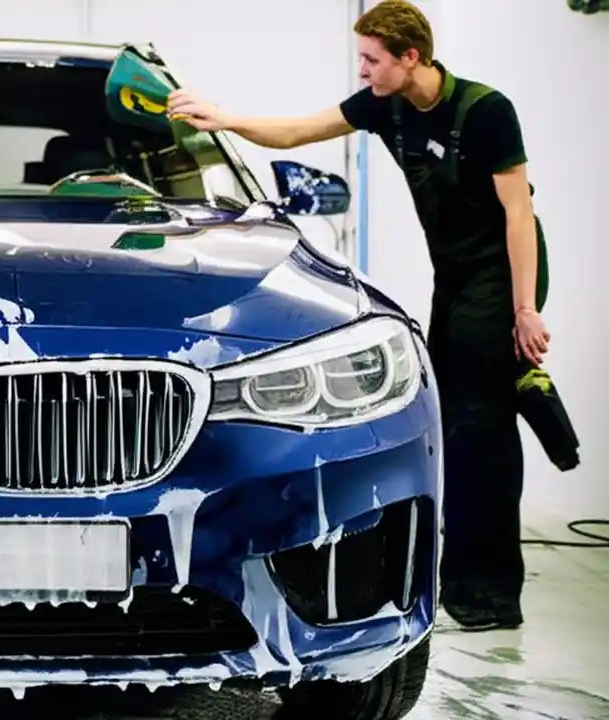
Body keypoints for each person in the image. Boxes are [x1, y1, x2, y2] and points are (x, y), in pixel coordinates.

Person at [167, 0, 551, 631]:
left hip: (503, 273)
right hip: (455, 278)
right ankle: (462, 580)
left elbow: (517, 216)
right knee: (457, 419)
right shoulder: (384, 104)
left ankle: (491, 592)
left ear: (411, 57)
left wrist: (525, 308)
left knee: (480, 429)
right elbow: (295, 132)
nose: (364, 71)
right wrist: (223, 118)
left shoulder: (486, 111)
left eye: (373, 60)